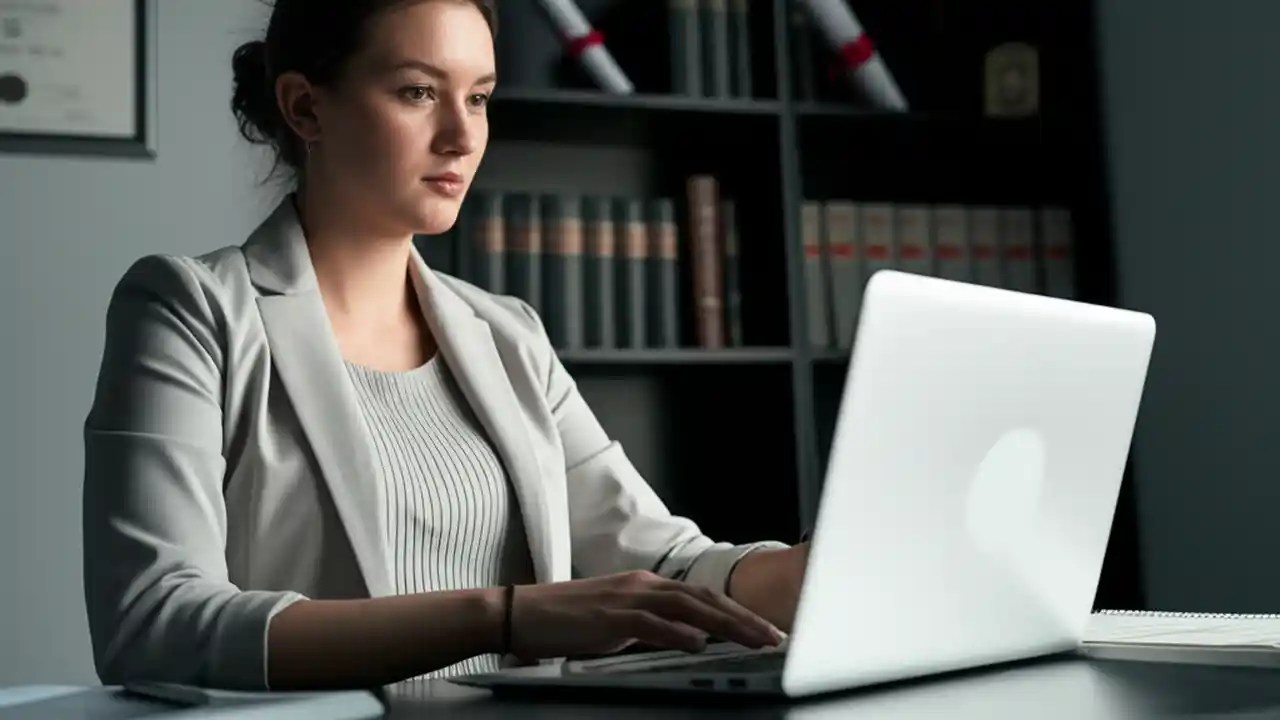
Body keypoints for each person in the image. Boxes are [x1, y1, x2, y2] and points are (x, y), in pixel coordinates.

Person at [82, 0, 809, 692]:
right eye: (419, 93)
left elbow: (666, 565)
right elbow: (154, 622)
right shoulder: (189, 310)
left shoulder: (506, 333)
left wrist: (833, 566)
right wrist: (502, 615)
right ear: (306, 106)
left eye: (480, 98)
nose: (462, 136)